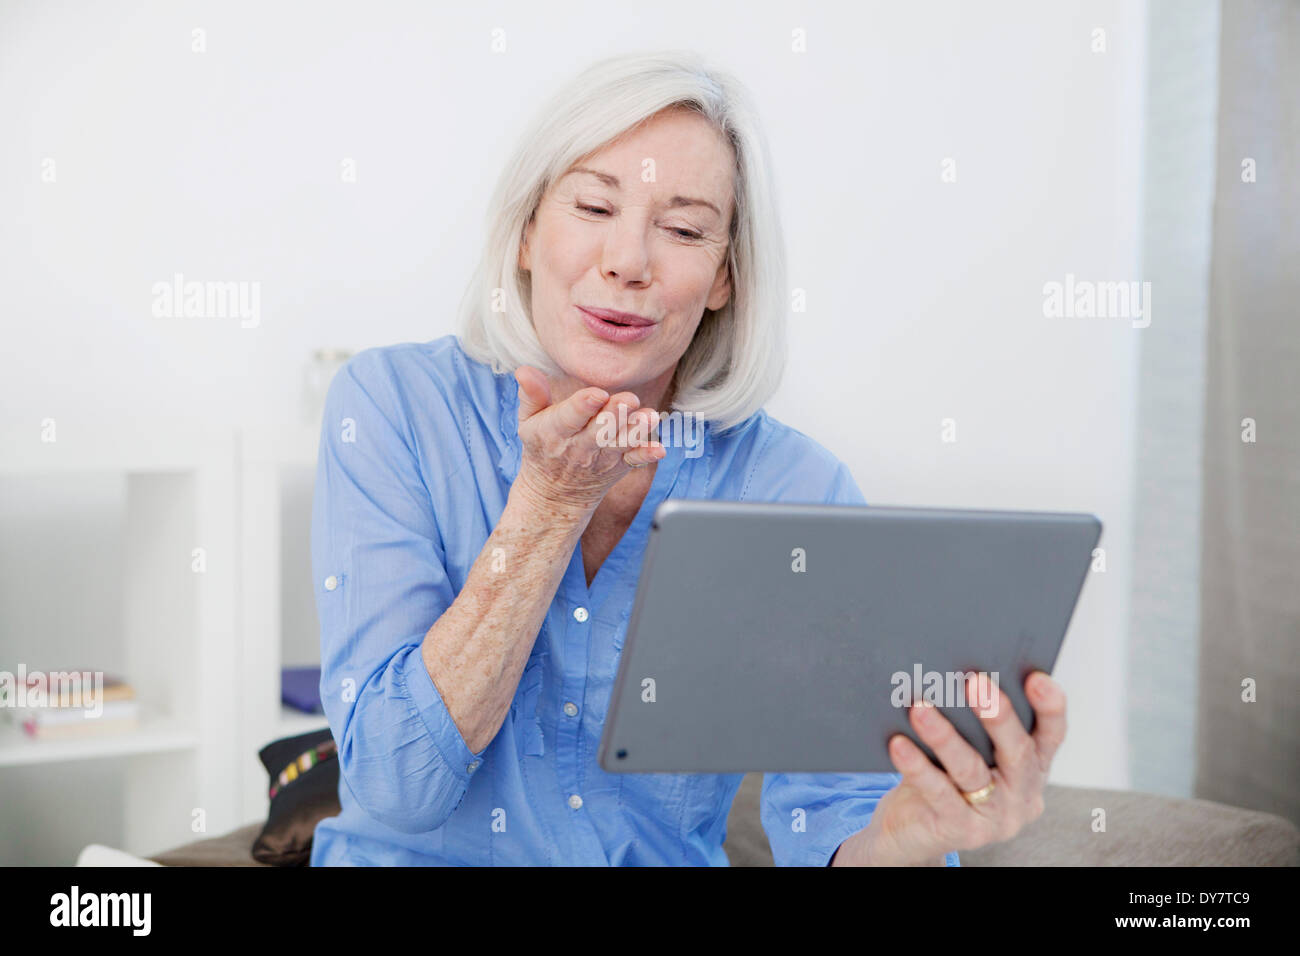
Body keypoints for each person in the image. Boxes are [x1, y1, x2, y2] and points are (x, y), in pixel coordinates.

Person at [309, 50, 1064, 866]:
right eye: (594, 205)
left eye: (683, 229)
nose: (628, 262)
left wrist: (901, 839)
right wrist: (549, 506)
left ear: (723, 278)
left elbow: (836, 821)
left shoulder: (793, 491)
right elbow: (396, 782)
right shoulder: (392, 407)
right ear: (527, 233)